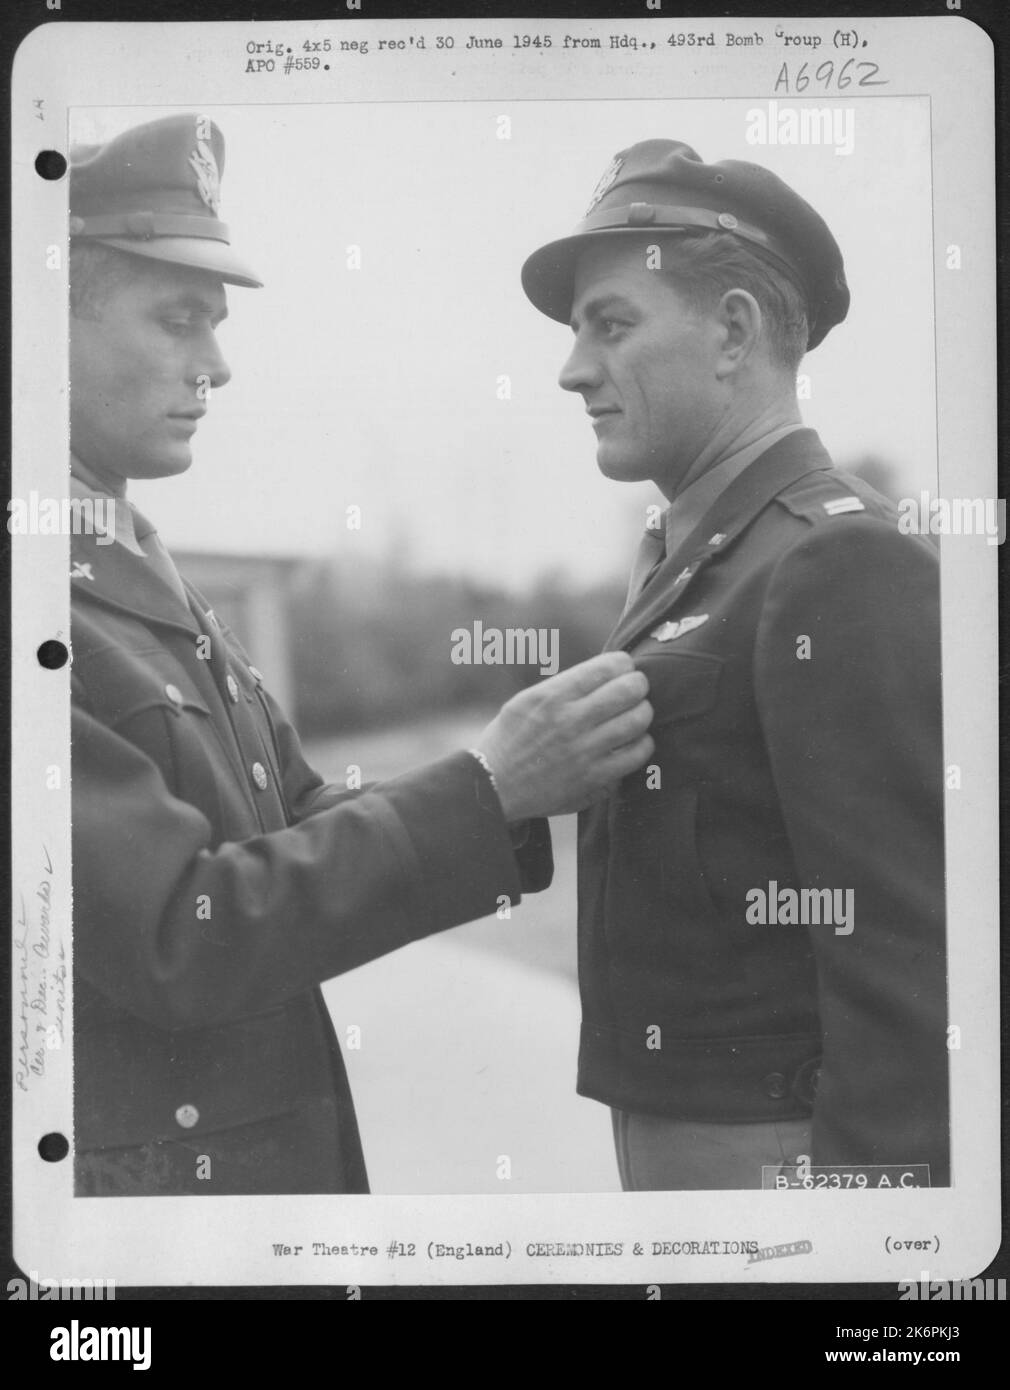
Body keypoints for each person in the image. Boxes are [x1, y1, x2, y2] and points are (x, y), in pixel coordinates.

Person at [68, 114, 655, 1196]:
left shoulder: (136, 567)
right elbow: (178, 930)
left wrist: (509, 787)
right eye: (179, 319)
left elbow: (290, 816)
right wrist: (486, 787)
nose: (219, 364)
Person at [521, 138, 949, 1189]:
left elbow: (906, 964)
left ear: (731, 331)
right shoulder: (691, 555)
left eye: (609, 324)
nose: (572, 368)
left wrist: (860, 1245)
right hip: (677, 1141)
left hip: (780, 1165)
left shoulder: (833, 560)